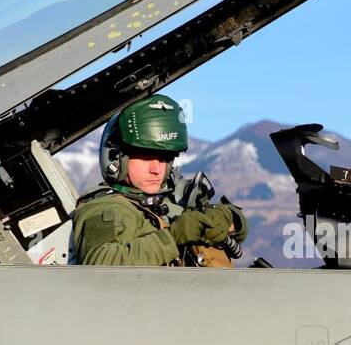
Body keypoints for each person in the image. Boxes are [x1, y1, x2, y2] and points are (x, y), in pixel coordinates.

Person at [69, 95, 247, 266]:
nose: (156, 169)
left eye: (164, 158)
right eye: (146, 157)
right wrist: (174, 236)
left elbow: (239, 226)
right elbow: (101, 264)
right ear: (117, 157)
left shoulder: (168, 199)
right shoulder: (104, 209)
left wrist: (225, 217)